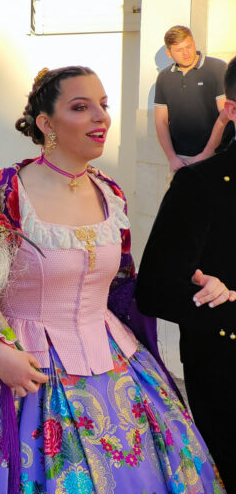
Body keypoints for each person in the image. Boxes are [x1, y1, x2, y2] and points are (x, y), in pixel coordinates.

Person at [0, 67, 224, 493]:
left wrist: (189, 286)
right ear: (46, 124)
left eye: (103, 106)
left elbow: (125, 286)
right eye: (81, 107)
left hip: (115, 364)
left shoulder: (111, 192)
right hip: (23, 369)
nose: (100, 118)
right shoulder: (8, 189)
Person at [136, 55, 236, 490]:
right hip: (225, 366)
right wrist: (215, 299)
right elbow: (154, 289)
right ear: (231, 110)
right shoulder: (201, 185)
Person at [154, 25, 229, 172]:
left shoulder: (217, 69)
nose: (186, 53)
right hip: (181, 161)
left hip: (217, 156)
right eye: (179, 50)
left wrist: (206, 153)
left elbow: (225, 113)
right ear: (169, 53)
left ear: (194, 42)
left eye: (189, 46)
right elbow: (160, 120)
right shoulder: (164, 77)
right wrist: (171, 158)